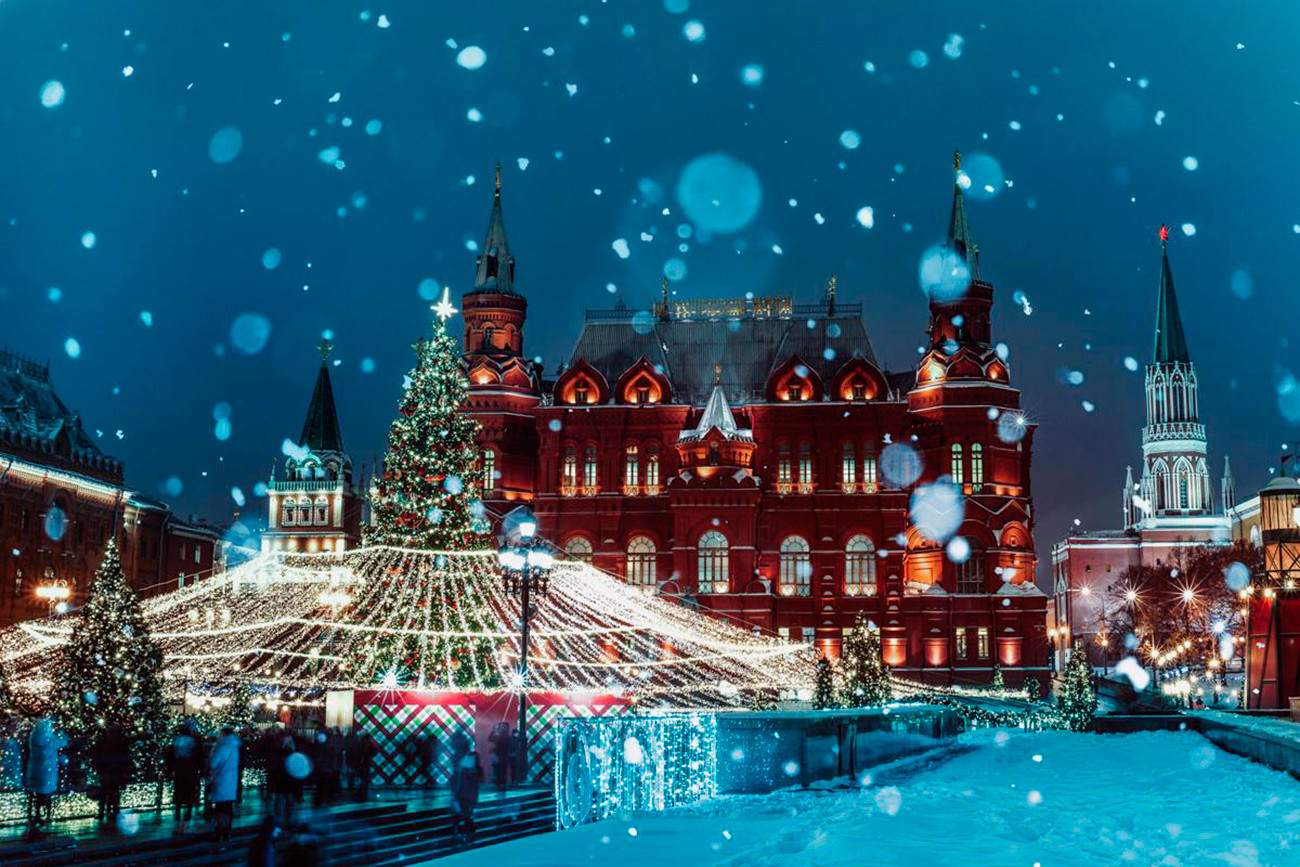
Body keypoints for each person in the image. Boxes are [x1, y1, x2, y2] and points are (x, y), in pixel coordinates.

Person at [24, 717, 66, 838]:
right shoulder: (49, 740)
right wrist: (61, 732)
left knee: (35, 795)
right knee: (45, 795)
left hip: (34, 770)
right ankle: (44, 816)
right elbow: (63, 741)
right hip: (47, 772)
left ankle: (35, 815)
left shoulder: (33, 737)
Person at [167, 722, 203, 834]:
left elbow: (170, 756)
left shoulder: (177, 740)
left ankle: (178, 824)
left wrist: (171, 770)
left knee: (178, 798)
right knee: (189, 799)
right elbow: (199, 757)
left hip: (179, 770)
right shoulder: (195, 742)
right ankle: (185, 824)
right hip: (190, 771)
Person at [208, 727, 241, 846]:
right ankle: (227, 832)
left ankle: (219, 832)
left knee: (220, 808)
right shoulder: (235, 747)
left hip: (221, 780)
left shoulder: (221, 746)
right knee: (228, 808)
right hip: (231, 781)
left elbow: (213, 763)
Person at [449, 750, 483, 843]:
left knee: (462, 813)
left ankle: (461, 830)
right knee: (465, 814)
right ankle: (465, 831)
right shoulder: (474, 771)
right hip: (467, 796)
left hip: (465, 795)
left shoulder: (464, 772)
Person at [489, 722, 511, 791]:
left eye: (503, 727)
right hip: (499, 756)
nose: (502, 729)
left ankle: (501, 785)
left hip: (502, 756)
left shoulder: (505, 737)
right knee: (499, 771)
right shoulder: (501, 736)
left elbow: (491, 739)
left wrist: (494, 730)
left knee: (502, 771)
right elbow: (490, 738)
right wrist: (493, 730)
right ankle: (500, 785)